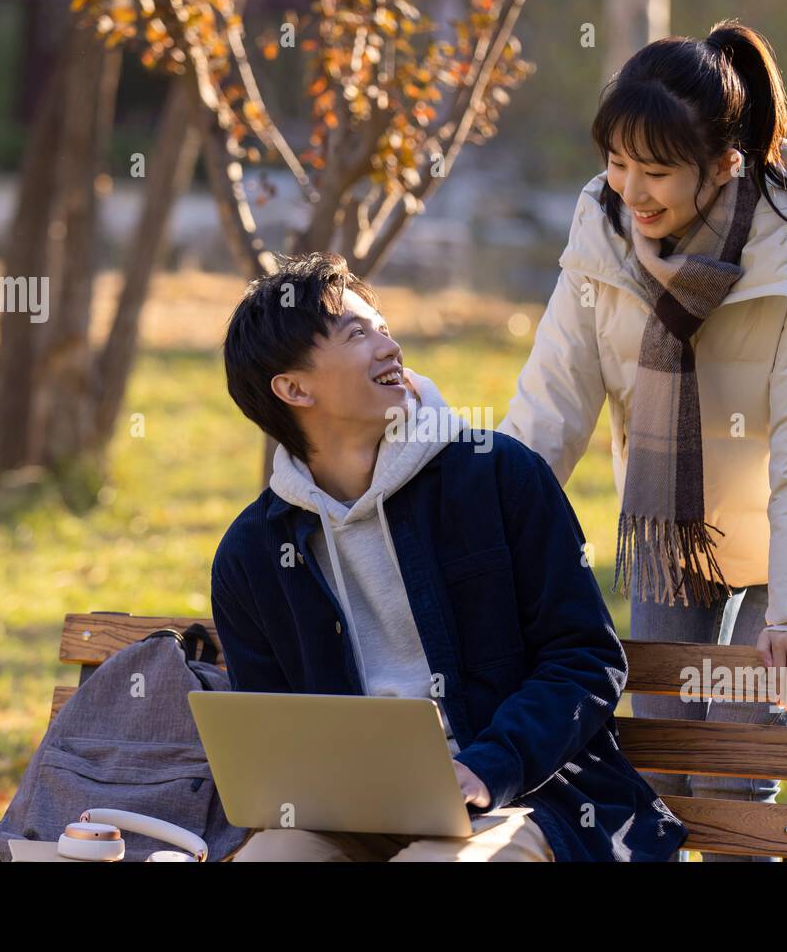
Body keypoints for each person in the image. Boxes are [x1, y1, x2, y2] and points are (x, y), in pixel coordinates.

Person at [497, 20, 787, 861]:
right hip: (673, 529)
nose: (630, 191)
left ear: (722, 165)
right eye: (616, 162)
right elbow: (549, 404)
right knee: (667, 769)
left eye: (656, 172)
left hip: (786, 529)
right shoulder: (601, 228)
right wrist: (483, 539)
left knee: (731, 766)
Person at [211, 252, 689, 862]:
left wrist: (487, 768)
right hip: (354, 811)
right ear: (293, 388)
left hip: (532, 794)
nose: (389, 346)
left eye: (383, 328)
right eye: (357, 334)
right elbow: (270, 731)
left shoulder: (499, 476)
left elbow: (585, 660)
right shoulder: (252, 554)